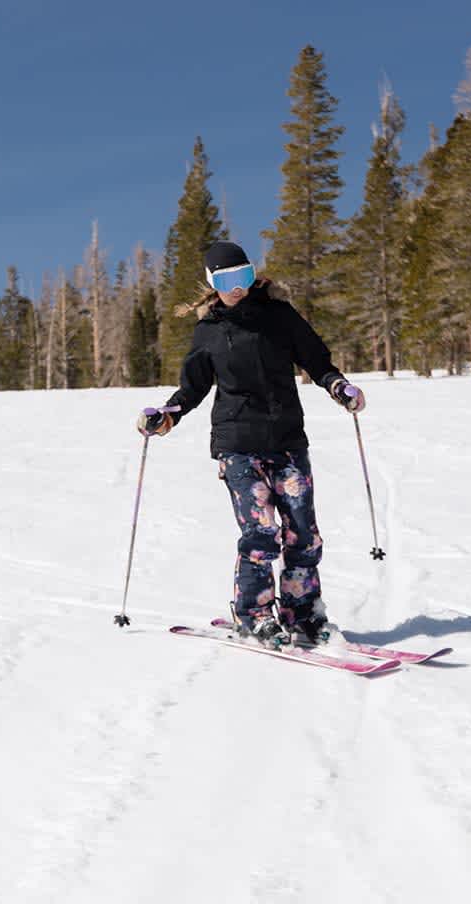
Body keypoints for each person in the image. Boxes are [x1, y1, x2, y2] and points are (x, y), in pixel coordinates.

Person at [136, 240, 364, 649]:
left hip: (287, 440)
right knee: (261, 530)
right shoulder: (209, 331)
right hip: (237, 443)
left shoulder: (279, 316)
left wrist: (338, 386)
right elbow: (194, 386)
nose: (237, 288)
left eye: (243, 276)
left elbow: (316, 359)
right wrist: (167, 413)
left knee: (303, 534)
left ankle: (304, 613)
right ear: (213, 283)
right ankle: (254, 613)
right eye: (227, 281)